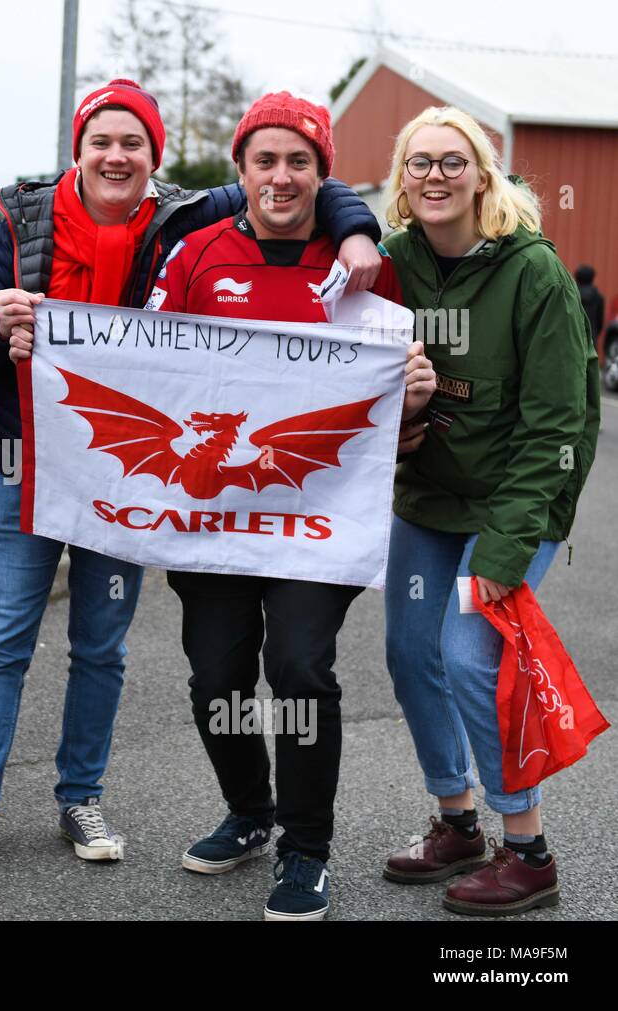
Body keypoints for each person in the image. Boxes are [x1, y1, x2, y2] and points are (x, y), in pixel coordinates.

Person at [0, 78, 386, 886]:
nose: (116, 155)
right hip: (25, 463)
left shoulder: (178, 218)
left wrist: (356, 225)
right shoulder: (19, 221)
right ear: (78, 150)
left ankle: (81, 797)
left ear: (154, 158)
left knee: (100, 648)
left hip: (132, 487)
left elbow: (284, 172)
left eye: (133, 142)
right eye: (101, 140)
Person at [145, 93, 435, 921]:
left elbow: (398, 411)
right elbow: (146, 364)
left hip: (318, 515)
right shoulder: (196, 255)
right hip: (215, 519)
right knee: (216, 676)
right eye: (265, 160)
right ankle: (249, 811)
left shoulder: (365, 266)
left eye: (298, 161)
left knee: (300, 669)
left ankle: (306, 848)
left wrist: (414, 401)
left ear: (321, 173)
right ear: (240, 171)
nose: (281, 176)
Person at [380, 106, 599, 916]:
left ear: (482, 175)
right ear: (402, 178)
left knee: (470, 652)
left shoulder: (533, 272)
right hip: (431, 497)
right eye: (419, 162)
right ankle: (455, 820)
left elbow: (557, 426)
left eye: (452, 161)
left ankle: (529, 849)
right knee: (410, 652)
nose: (435, 176)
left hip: (516, 498)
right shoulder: (392, 261)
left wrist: (504, 556)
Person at [573, 264, 605, 345]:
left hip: (572, 337)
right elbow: (600, 322)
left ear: (577, 278)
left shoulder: (571, 295)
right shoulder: (599, 297)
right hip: (591, 338)